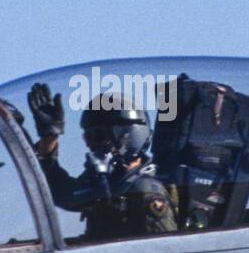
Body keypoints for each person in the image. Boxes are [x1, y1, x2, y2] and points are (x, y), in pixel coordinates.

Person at [26, 82, 178, 241]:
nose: (90, 145)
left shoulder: (146, 189)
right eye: (87, 137)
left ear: (128, 135)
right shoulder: (109, 181)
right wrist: (49, 140)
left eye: (98, 136)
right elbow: (63, 195)